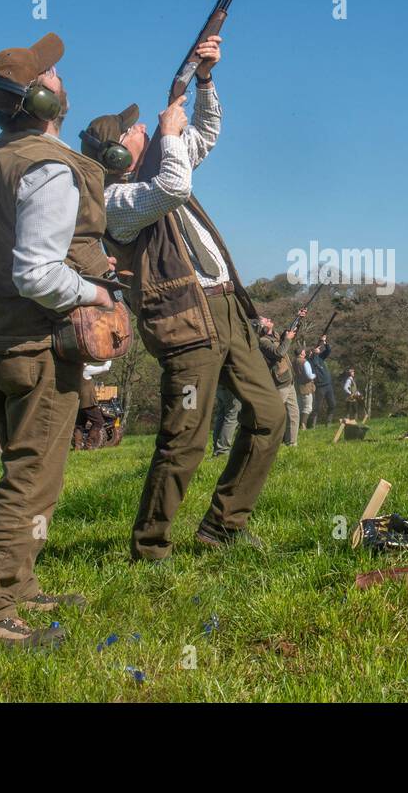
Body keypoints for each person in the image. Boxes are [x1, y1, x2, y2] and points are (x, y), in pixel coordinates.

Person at [101, 35, 286, 559]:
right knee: (186, 439)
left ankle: (223, 527)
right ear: (117, 153)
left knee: (270, 415)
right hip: (186, 324)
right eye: (131, 129)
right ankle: (150, 547)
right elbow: (175, 187)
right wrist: (169, 134)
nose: (141, 127)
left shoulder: (160, 169)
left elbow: (204, 133)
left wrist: (203, 80)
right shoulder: (117, 200)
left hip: (227, 309)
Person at [0, 32, 112, 647]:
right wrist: (97, 295)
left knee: (36, 472)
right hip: (37, 345)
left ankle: (19, 585)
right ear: (43, 103)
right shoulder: (47, 167)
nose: (62, 80)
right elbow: (37, 272)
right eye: (52, 77)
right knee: (30, 476)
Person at [255, 311, 306, 447]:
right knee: (275, 415)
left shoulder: (275, 335)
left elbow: (290, 331)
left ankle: (291, 443)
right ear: (261, 326)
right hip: (279, 382)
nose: (269, 318)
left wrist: (298, 318)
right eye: (266, 319)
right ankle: (267, 442)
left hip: (288, 380)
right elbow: (279, 353)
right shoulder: (263, 341)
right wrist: (288, 338)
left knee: (294, 414)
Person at [309, 336, 335, 428]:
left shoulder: (320, 357)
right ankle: (312, 425)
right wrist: (315, 354)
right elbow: (315, 364)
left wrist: (324, 342)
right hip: (320, 386)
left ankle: (328, 423)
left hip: (328, 385)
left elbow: (328, 351)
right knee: (317, 407)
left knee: (332, 404)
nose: (319, 350)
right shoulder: (310, 361)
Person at [211, 384, 240, 457]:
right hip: (232, 384)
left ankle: (217, 449)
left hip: (220, 382)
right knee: (232, 416)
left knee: (222, 414)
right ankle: (222, 451)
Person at [294, 348, 315, 429]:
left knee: (299, 407)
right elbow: (309, 375)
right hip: (306, 387)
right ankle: (303, 424)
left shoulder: (294, 361)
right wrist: (315, 375)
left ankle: (297, 425)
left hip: (298, 387)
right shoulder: (305, 362)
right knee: (308, 407)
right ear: (300, 354)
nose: (305, 354)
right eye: (303, 353)